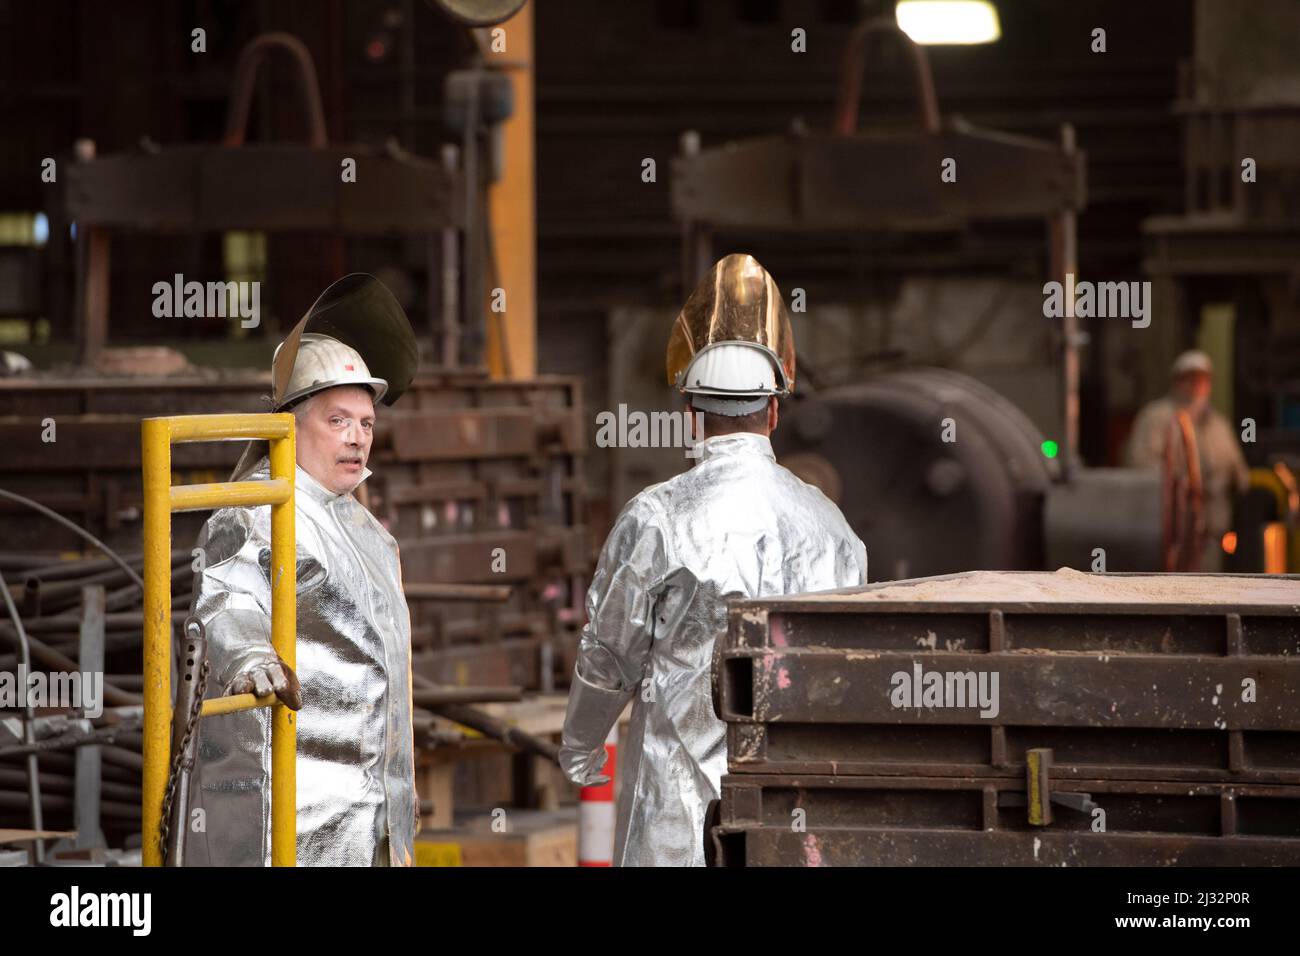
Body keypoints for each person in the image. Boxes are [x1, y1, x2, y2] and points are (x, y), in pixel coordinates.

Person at [558, 253, 868, 866]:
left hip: (681, 817)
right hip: (797, 812)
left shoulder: (656, 518)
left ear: (690, 415)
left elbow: (610, 653)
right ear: (775, 412)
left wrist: (580, 748)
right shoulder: (834, 529)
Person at [184, 274, 420, 866]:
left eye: (366, 424)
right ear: (290, 423)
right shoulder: (258, 509)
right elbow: (226, 598)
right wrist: (251, 658)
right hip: (290, 810)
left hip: (370, 814)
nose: (357, 439)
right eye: (338, 421)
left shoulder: (366, 532)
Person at [1124, 349, 1250, 571]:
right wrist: (1184, 486)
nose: (1196, 386)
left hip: (1211, 536)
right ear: (1176, 381)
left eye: (1202, 380)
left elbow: (1239, 474)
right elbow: (1140, 466)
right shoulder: (1156, 418)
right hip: (1168, 537)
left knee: (1208, 596)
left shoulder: (1218, 425)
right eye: (1189, 379)